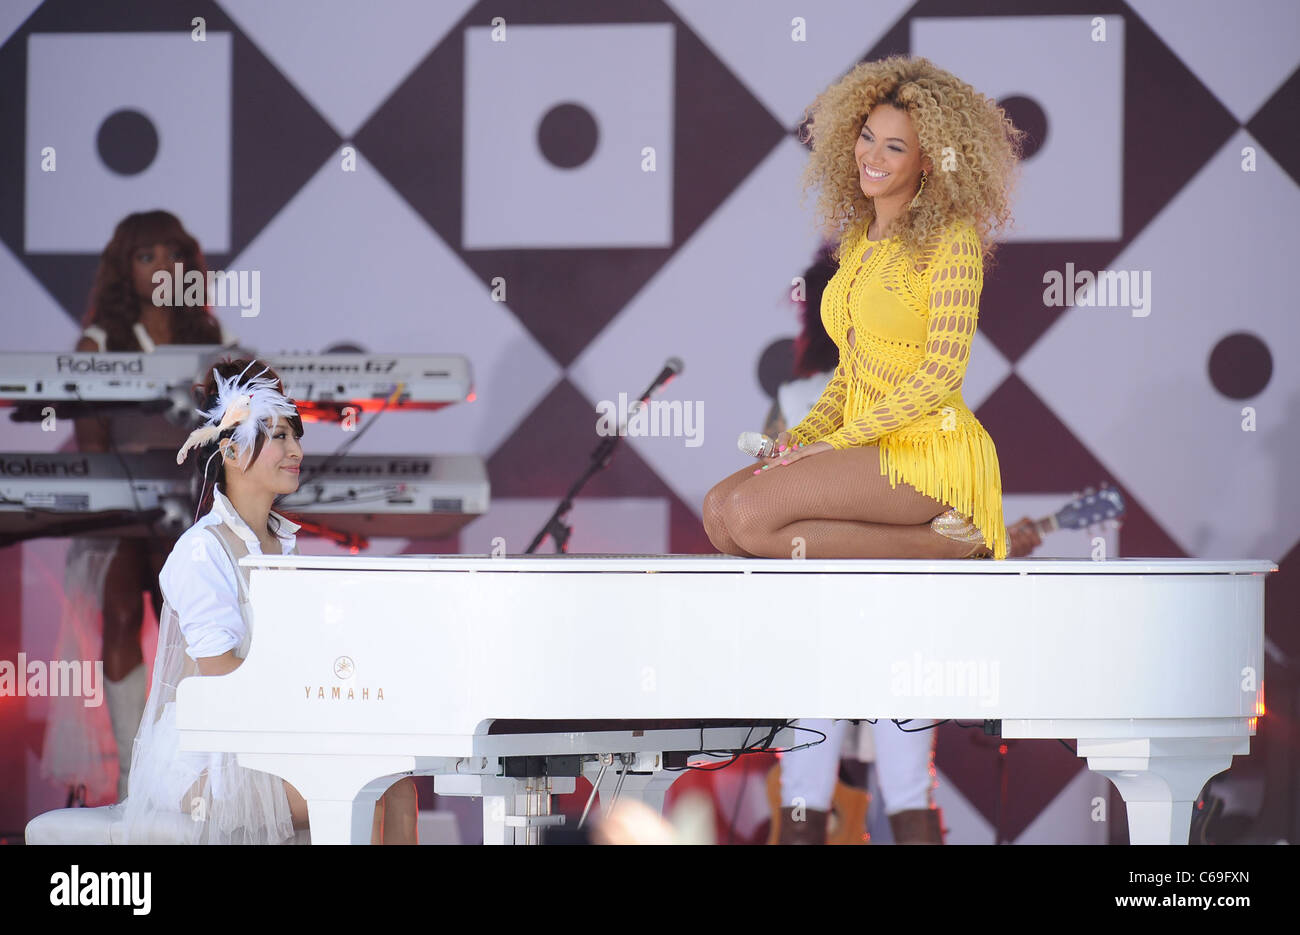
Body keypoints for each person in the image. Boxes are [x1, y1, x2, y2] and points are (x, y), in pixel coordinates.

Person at [704, 54, 1026, 562]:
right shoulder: (858, 240)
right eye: (867, 136)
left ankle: (951, 540)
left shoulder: (952, 241)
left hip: (929, 453)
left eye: (895, 146)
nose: (872, 155)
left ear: (928, 160)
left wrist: (837, 443)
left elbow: (941, 373)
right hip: (865, 443)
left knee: (749, 514)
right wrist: (804, 435)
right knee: (721, 515)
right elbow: (852, 374)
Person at [120, 358, 418, 844]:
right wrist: (319, 707)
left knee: (395, 778)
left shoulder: (285, 545)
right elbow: (221, 673)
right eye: (279, 436)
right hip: (211, 764)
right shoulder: (200, 550)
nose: (297, 450)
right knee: (377, 787)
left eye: (294, 435)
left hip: (269, 740)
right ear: (233, 452)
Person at [43, 210, 232, 804]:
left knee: (192, 625)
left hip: (190, 506)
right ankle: (133, 775)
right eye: (145, 255)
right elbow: (89, 432)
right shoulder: (101, 341)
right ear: (124, 268)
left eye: (171, 255)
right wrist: (114, 494)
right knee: (122, 614)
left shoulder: (208, 338)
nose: (160, 267)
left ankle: (188, 775)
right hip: (121, 509)